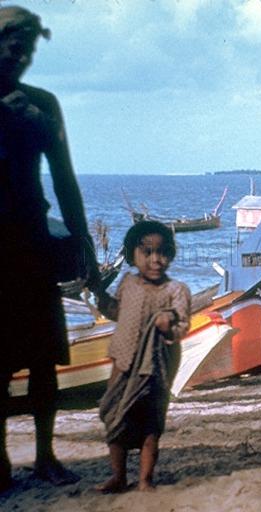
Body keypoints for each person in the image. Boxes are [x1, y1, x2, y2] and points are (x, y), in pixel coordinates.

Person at [0, 6, 100, 490]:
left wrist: (83, 244)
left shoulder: (42, 105)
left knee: (43, 359)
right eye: (13, 46)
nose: (21, 57)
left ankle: (44, 455)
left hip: (31, 243)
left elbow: (65, 180)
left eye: (28, 50)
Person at [94, 221, 191, 492]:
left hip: (155, 368)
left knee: (150, 423)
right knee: (115, 417)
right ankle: (119, 475)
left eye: (161, 252)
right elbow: (118, 313)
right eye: (146, 252)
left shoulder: (176, 291)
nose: (155, 260)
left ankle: (145, 479)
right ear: (131, 255)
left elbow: (183, 326)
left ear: (170, 255)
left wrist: (168, 324)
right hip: (123, 361)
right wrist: (101, 299)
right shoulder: (128, 283)